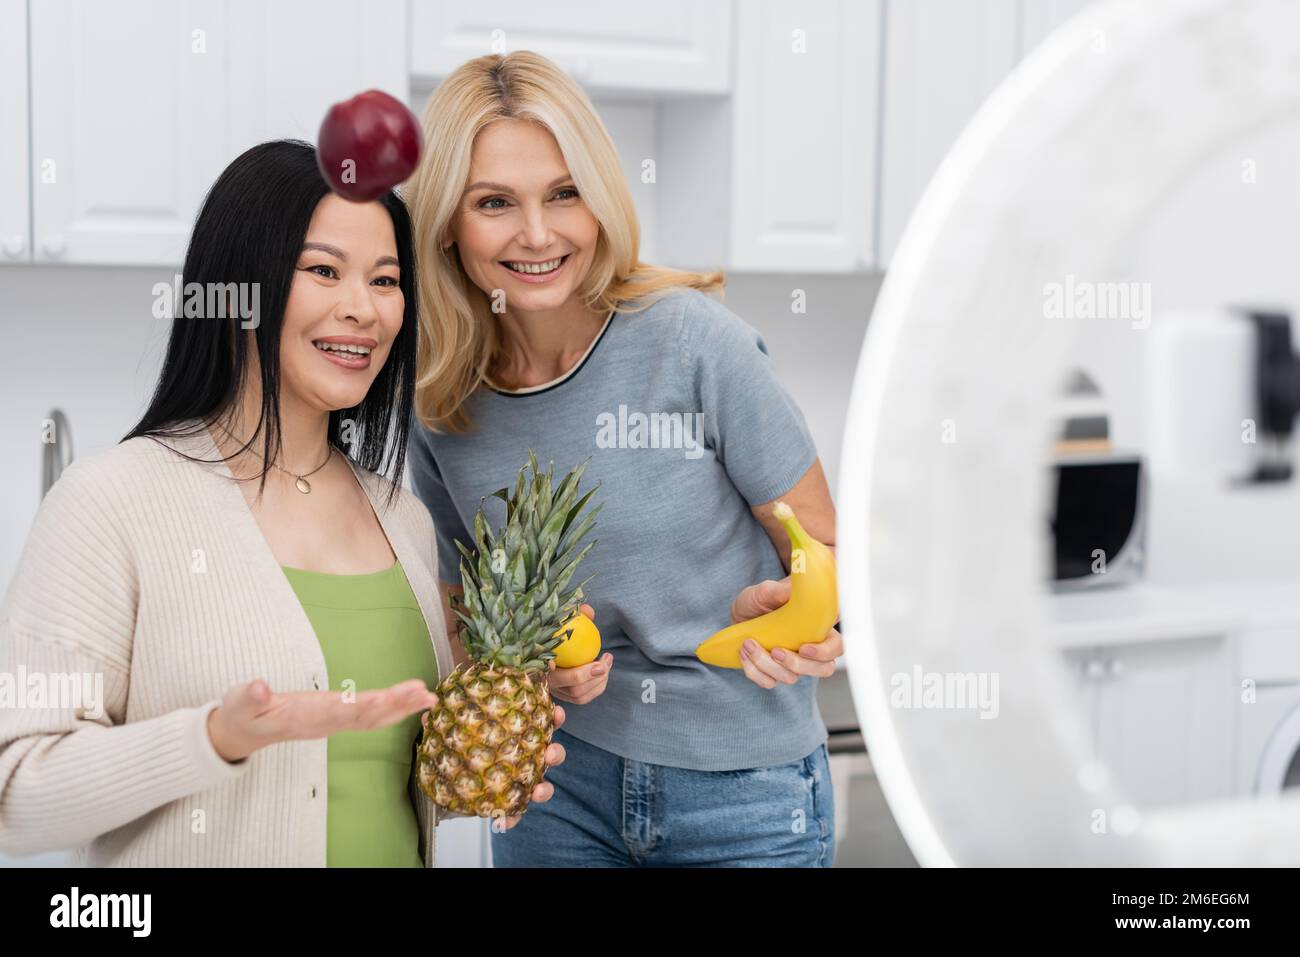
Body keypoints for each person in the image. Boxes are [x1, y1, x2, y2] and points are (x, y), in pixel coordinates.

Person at [0, 139, 565, 866]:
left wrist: (478, 767)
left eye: (385, 280)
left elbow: (365, 784)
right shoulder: (111, 502)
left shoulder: (403, 518)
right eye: (323, 270)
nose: (362, 309)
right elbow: (14, 795)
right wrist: (215, 737)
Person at [403, 52, 843, 867]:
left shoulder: (692, 344)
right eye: (495, 202)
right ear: (446, 226)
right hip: (558, 791)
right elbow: (462, 623)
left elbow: (829, 556)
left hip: (742, 793)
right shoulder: (441, 402)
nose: (537, 233)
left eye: (563, 193)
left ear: (599, 199)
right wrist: (531, 679)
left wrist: (805, 619)